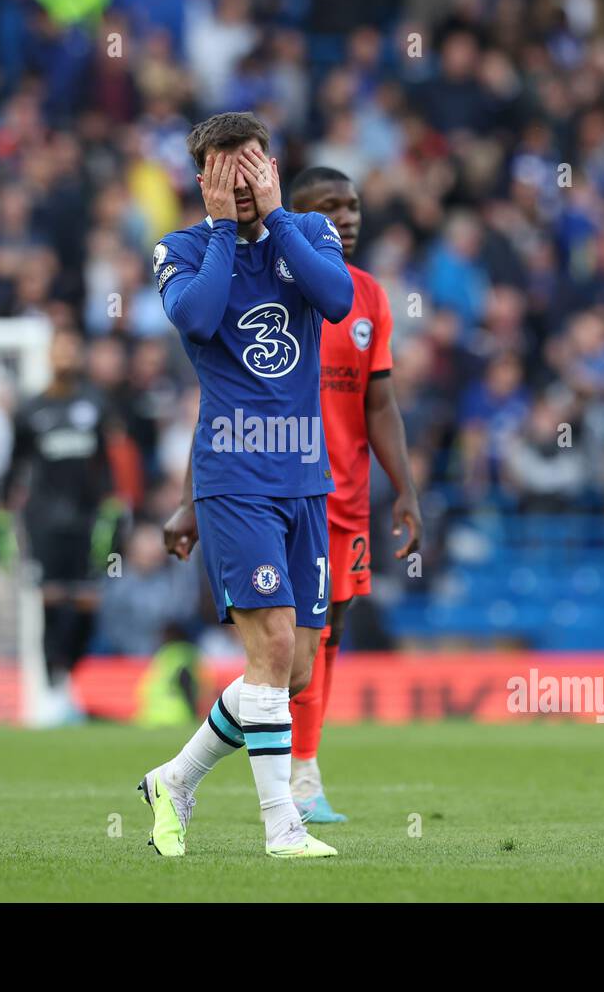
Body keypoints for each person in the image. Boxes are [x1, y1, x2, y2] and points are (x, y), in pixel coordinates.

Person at [142, 111, 352, 859]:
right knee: (265, 653)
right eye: (227, 166)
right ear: (203, 179)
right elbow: (197, 319)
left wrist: (277, 219)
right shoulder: (183, 248)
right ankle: (281, 828)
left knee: (292, 671)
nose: (243, 177)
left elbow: (337, 301)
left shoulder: (311, 235)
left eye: (254, 162)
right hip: (233, 475)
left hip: (304, 476)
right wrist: (227, 230)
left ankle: (173, 779)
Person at [282, 166, 421, 822]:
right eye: (330, 206)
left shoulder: (369, 296)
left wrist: (406, 490)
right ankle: (264, 767)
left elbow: (381, 404)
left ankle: (303, 772)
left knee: (329, 631)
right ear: (297, 217)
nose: (348, 217)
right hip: (278, 496)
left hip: (344, 504)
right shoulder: (274, 291)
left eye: (354, 206)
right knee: (285, 640)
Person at [0, 328, 115, 725]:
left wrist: (113, 508)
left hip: (85, 519)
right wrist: (0, 514)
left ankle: (70, 673)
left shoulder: (94, 403)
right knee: (49, 602)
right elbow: (14, 466)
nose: (65, 355)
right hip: (44, 519)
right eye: (59, 349)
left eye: (71, 348)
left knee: (85, 604)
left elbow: (107, 466)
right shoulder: (30, 409)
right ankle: (50, 689)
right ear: (49, 357)